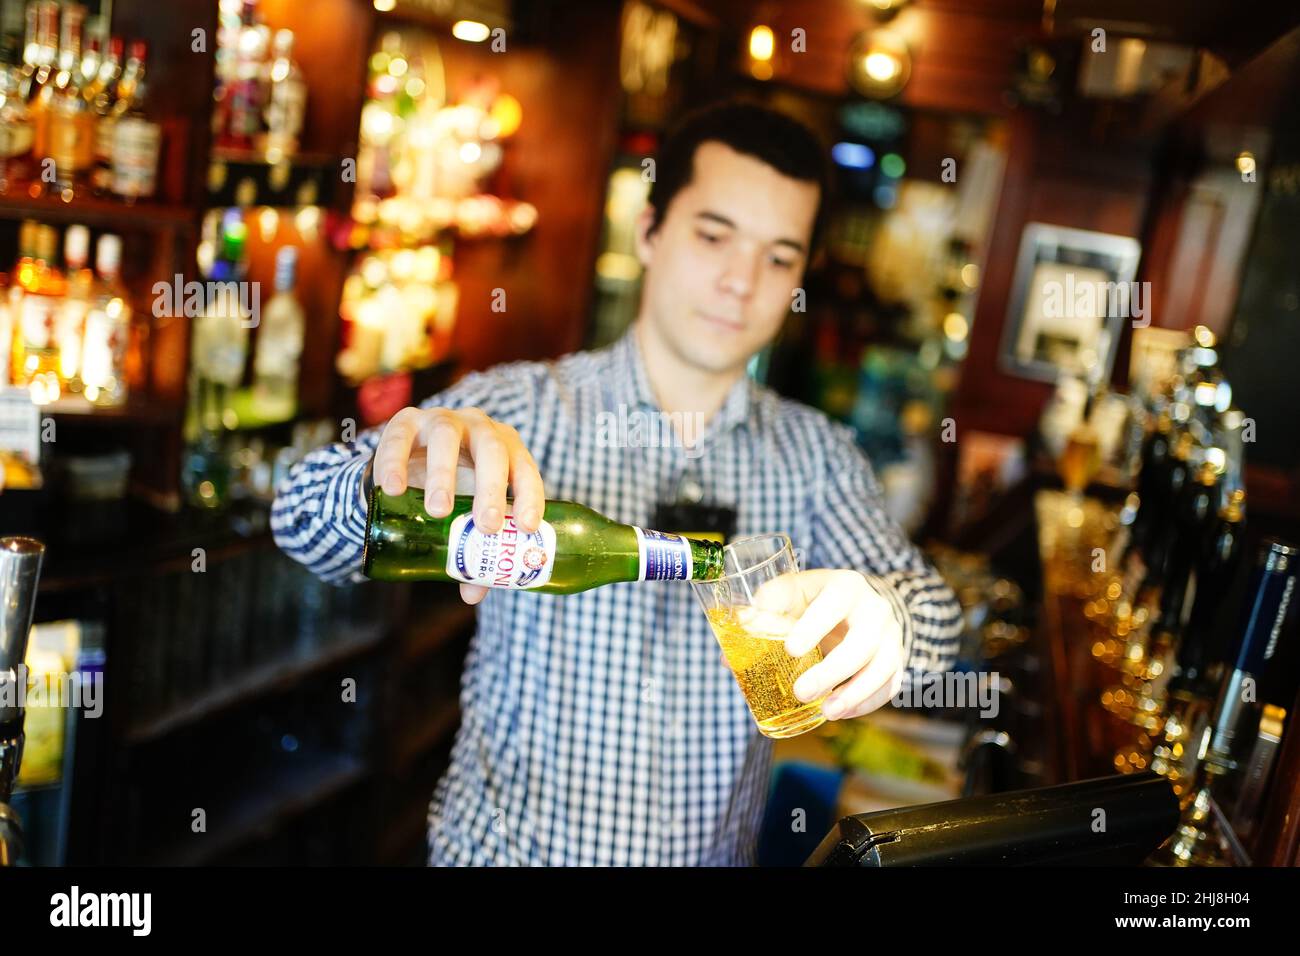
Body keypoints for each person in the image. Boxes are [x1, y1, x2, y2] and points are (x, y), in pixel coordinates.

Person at [272, 100, 962, 866]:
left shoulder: (819, 456)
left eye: (779, 257)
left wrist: (888, 620)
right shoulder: (518, 407)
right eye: (713, 236)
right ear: (648, 232)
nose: (741, 282)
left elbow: (935, 612)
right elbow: (296, 523)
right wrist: (386, 470)